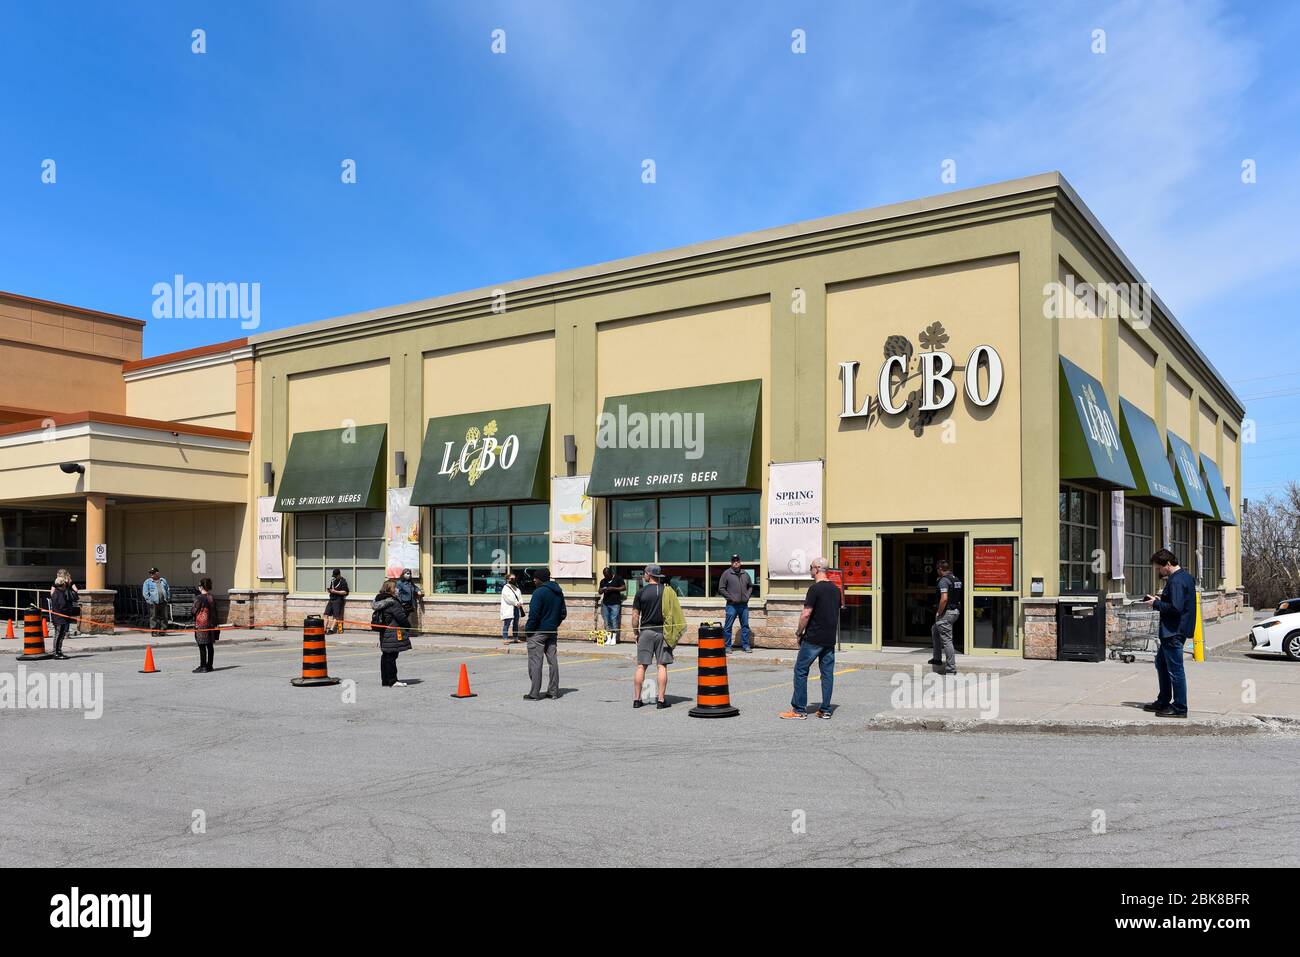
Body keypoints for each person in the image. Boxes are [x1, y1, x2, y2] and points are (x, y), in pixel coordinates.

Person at [781, 557, 841, 720]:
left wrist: (799, 632)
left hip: (814, 638)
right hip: (829, 639)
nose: (809, 570)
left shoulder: (815, 589)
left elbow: (806, 614)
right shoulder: (836, 590)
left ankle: (799, 710)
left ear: (817, 568)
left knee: (800, 670)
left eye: (810, 567)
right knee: (827, 674)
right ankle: (826, 710)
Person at [1141, 548, 1196, 718]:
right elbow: (1176, 602)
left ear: (1168, 564)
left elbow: (1176, 608)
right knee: (1161, 664)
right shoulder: (1184, 577)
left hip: (1173, 631)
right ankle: (1164, 700)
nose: (1158, 571)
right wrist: (1159, 600)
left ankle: (1180, 707)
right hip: (1173, 630)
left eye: (1159, 568)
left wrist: (1155, 605)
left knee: (1175, 670)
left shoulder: (1176, 581)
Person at [631, 564, 685, 710]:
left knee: (641, 666)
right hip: (663, 632)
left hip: (646, 632)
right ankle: (661, 700)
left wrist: (636, 632)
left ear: (649, 575)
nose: (643, 576)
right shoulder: (667, 591)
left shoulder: (640, 592)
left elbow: (635, 616)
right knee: (662, 665)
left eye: (644, 574)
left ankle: (637, 700)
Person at [522, 567, 566, 700]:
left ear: (540, 579)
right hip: (552, 631)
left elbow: (534, 615)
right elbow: (563, 613)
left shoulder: (538, 593)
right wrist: (553, 624)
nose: (533, 580)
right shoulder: (558, 592)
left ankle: (534, 693)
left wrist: (528, 630)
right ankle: (553, 691)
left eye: (535, 578)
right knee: (553, 661)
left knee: (536, 662)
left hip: (538, 632)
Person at [372, 578, 412, 688]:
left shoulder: (380, 600)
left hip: (385, 632)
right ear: (390, 589)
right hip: (393, 631)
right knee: (391, 657)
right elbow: (400, 617)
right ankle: (392, 680)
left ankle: (385, 680)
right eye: (396, 588)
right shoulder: (392, 602)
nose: (397, 589)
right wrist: (408, 626)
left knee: (386, 656)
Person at [929, 559, 959, 675]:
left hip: (946, 613)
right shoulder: (955, 579)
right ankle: (937, 659)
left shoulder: (944, 581)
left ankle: (951, 668)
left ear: (940, 569)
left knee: (947, 640)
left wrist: (939, 612)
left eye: (937, 570)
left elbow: (944, 598)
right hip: (955, 611)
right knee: (935, 629)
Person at [718, 554, 753, 653]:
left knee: (745, 626)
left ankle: (746, 646)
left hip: (743, 605)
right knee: (728, 626)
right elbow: (721, 588)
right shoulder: (726, 574)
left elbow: (750, 586)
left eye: (737, 561)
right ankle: (727, 646)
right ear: (731, 563)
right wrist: (730, 598)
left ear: (740, 562)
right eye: (734, 561)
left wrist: (747, 596)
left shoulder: (745, 574)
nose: (736, 562)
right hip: (731, 606)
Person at [48, 570, 78, 660]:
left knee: (61, 634)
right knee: (59, 634)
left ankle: (59, 651)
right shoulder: (60, 594)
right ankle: (56, 653)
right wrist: (69, 612)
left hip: (60, 617)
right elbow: (62, 606)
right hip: (60, 617)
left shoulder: (56, 593)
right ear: (63, 585)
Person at [191, 577, 219, 673]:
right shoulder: (211, 597)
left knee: (202, 646)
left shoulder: (198, 598)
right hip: (211, 624)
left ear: (201, 587)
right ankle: (209, 665)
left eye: (199, 586)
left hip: (201, 625)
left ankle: (203, 666)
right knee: (210, 646)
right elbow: (215, 611)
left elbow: (193, 611)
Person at [596, 566, 625, 646]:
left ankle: (614, 638)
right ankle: (608, 638)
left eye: (607, 575)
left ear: (611, 573)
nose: (606, 577)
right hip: (605, 603)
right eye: (604, 575)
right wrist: (602, 590)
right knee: (607, 621)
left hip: (615, 603)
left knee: (614, 620)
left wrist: (613, 588)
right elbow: (599, 591)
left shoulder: (618, 578)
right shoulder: (603, 581)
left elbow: (624, 588)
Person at [142, 567, 170, 637]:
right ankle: (154, 631)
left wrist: (167, 598)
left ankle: (162, 631)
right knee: (153, 617)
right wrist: (150, 601)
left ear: (157, 573)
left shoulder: (163, 580)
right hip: (153, 602)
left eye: (153, 573)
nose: (151, 574)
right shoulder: (147, 582)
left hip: (163, 601)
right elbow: (145, 593)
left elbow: (167, 589)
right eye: (150, 573)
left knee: (164, 617)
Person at [499, 573, 523, 644]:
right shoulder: (505, 588)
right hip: (509, 608)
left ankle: (516, 638)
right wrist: (516, 603)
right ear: (508, 579)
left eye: (514, 578)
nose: (513, 580)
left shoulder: (517, 588)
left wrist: (520, 602)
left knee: (516, 624)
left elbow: (520, 597)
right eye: (512, 578)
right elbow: (508, 598)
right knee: (507, 624)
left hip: (516, 608)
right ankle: (505, 639)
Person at [324, 568, 350, 634]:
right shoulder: (333, 581)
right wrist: (329, 590)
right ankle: (324, 629)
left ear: (339, 574)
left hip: (338, 600)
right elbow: (331, 589)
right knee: (326, 614)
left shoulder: (343, 581)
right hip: (331, 599)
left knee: (336, 616)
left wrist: (335, 591)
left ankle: (331, 629)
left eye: (336, 576)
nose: (335, 577)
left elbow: (345, 592)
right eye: (334, 576)